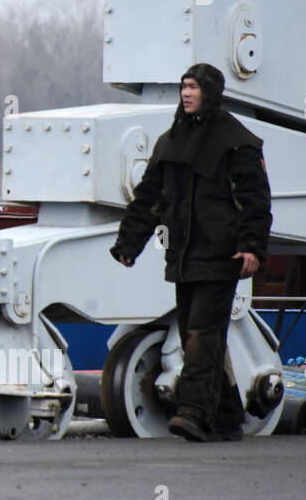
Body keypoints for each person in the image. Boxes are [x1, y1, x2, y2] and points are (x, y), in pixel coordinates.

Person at [109, 63, 273, 442]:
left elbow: (255, 200)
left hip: (222, 255)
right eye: (184, 87)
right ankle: (228, 417)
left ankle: (194, 413)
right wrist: (129, 244)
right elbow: (150, 197)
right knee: (196, 336)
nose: (186, 94)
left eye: (194, 88)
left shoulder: (237, 141)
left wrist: (252, 247)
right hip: (183, 256)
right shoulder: (170, 142)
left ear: (210, 93)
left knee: (201, 335)